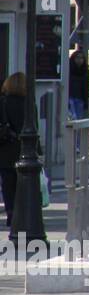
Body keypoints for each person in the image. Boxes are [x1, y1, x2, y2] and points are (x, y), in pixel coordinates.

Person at [0, 73, 24, 229]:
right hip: (23, 149)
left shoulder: (4, 102)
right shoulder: (28, 103)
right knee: (23, 184)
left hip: (6, 148)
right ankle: (22, 213)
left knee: (8, 184)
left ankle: (10, 213)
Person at [68, 48, 89, 121]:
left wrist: (86, 101)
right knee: (73, 117)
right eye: (77, 57)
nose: (79, 60)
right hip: (70, 97)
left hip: (80, 98)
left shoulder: (85, 72)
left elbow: (86, 86)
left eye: (81, 58)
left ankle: (77, 133)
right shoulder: (69, 70)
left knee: (79, 119)